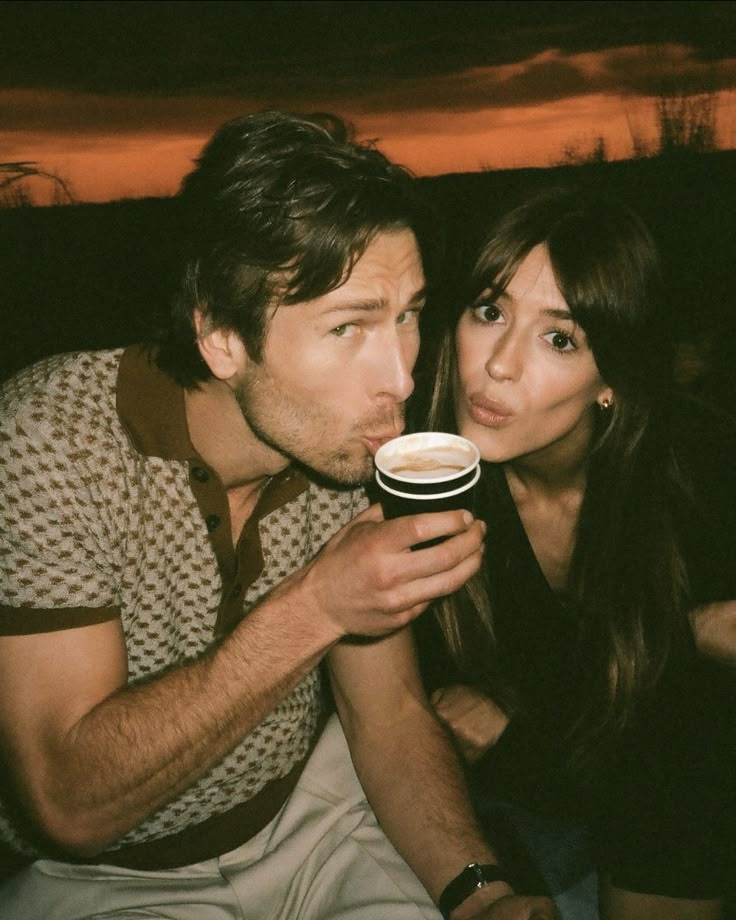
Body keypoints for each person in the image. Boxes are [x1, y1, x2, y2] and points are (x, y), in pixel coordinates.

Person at [0, 111, 556, 920]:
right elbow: (68, 806)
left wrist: (481, 893)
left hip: (315, 819)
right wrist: (320, 605)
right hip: (107, 880)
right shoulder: (48, 441)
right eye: (349, 326)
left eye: (408, 315)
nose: (401, 377)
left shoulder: (349, 449)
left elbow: (391, 715)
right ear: (222, 337)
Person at [414, 187, 736, 920]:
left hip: (672, 807)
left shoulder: (702, 479)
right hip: (509, 813)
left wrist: (694, 631)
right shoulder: (417, 479)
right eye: (490, 311)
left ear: (612, 382)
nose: (496, 366)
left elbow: (672, 751)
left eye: (559, 339)